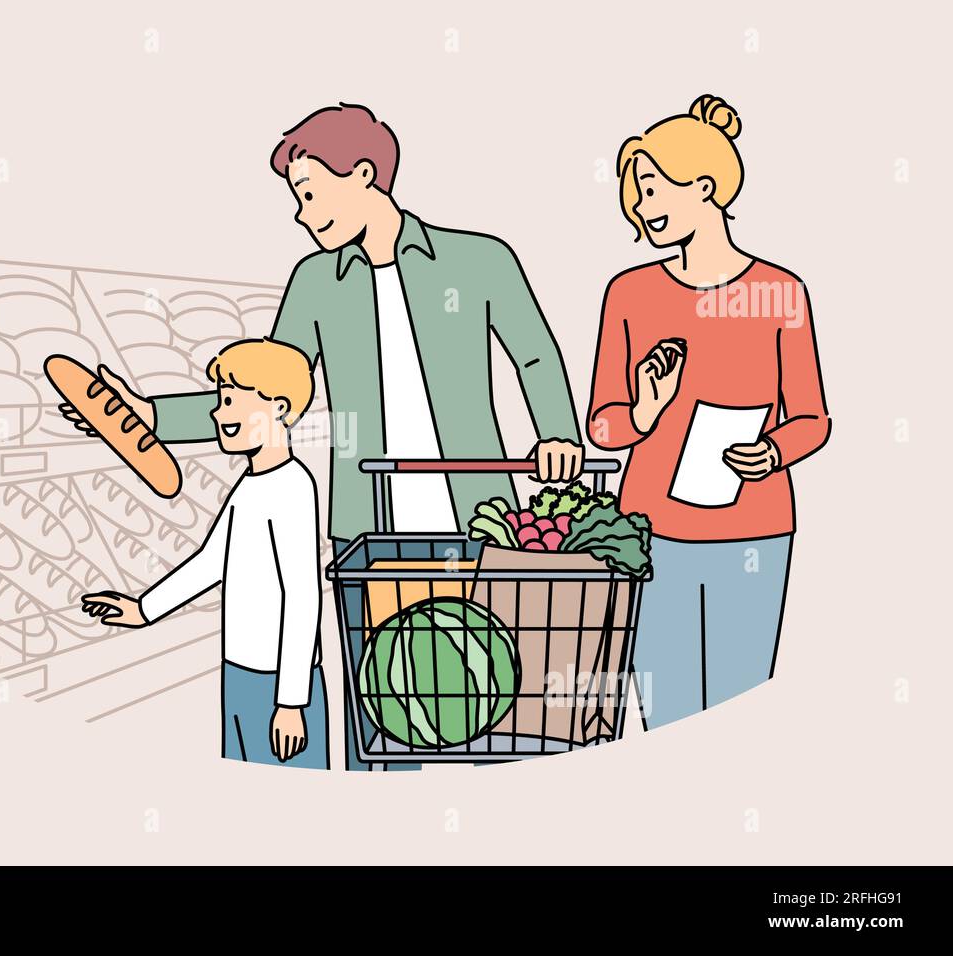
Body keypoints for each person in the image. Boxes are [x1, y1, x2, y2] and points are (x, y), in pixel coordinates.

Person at [64, 104, 585, 769]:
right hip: (368, 529)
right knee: (384, 713)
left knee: (488, 698)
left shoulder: (480, 261)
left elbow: (534, 354)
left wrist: (557, 435)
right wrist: (152, 417)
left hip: (480, 518)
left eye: (309, 194)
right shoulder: (316, 283)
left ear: (365, 175)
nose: (302, 214)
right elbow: (265, 389)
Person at [587, 95, 830, 729]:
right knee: (664, 715)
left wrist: (771, 452)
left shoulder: (779, 293)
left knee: (740, 709)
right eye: (636, 194)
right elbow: (604, 426)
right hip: (650, 531)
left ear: (705, 187)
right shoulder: (630, 294)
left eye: (653, 188)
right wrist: (643, 411)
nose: (642, 208)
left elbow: (812, 417)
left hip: (752, 530)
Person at [81, 339, 329, 768]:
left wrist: (291, 703)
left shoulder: (293, 488)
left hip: (280, 684)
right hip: (240, 671)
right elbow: (211, 561)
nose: (218, 413)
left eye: (231, 400)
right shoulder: (251, 486)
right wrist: (144, 609)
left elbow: (303, 596)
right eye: (219, 401)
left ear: (279, 408)